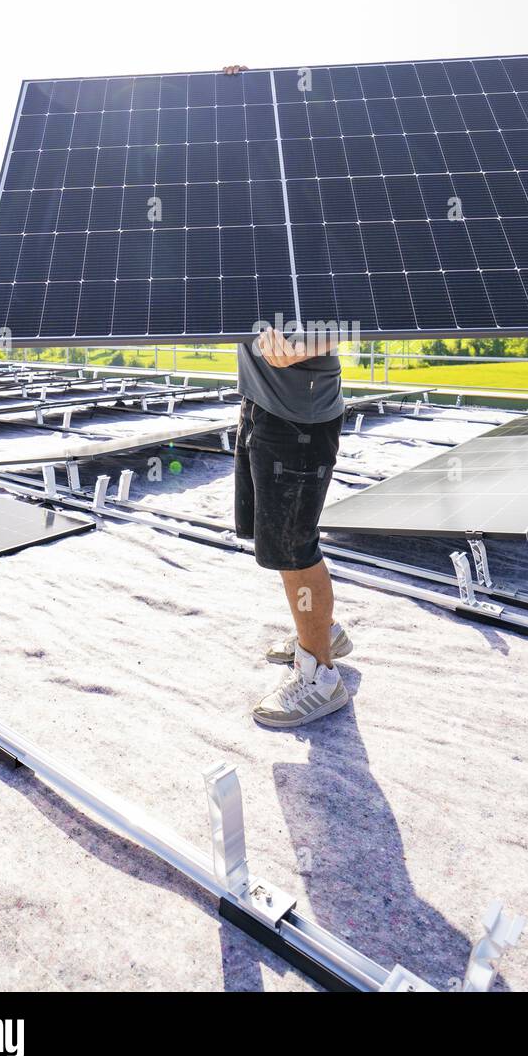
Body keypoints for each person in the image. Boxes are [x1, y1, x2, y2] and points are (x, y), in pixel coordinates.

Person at [223, 64, 353, 729]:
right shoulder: (263, 226)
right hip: (262, 409)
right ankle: (319, 635)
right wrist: (239, 100)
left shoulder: (326, 224)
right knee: (276, 542)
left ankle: (320, 674)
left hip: (298, 421)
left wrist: (303, 341)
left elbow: (362, 311)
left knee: (296, 547)